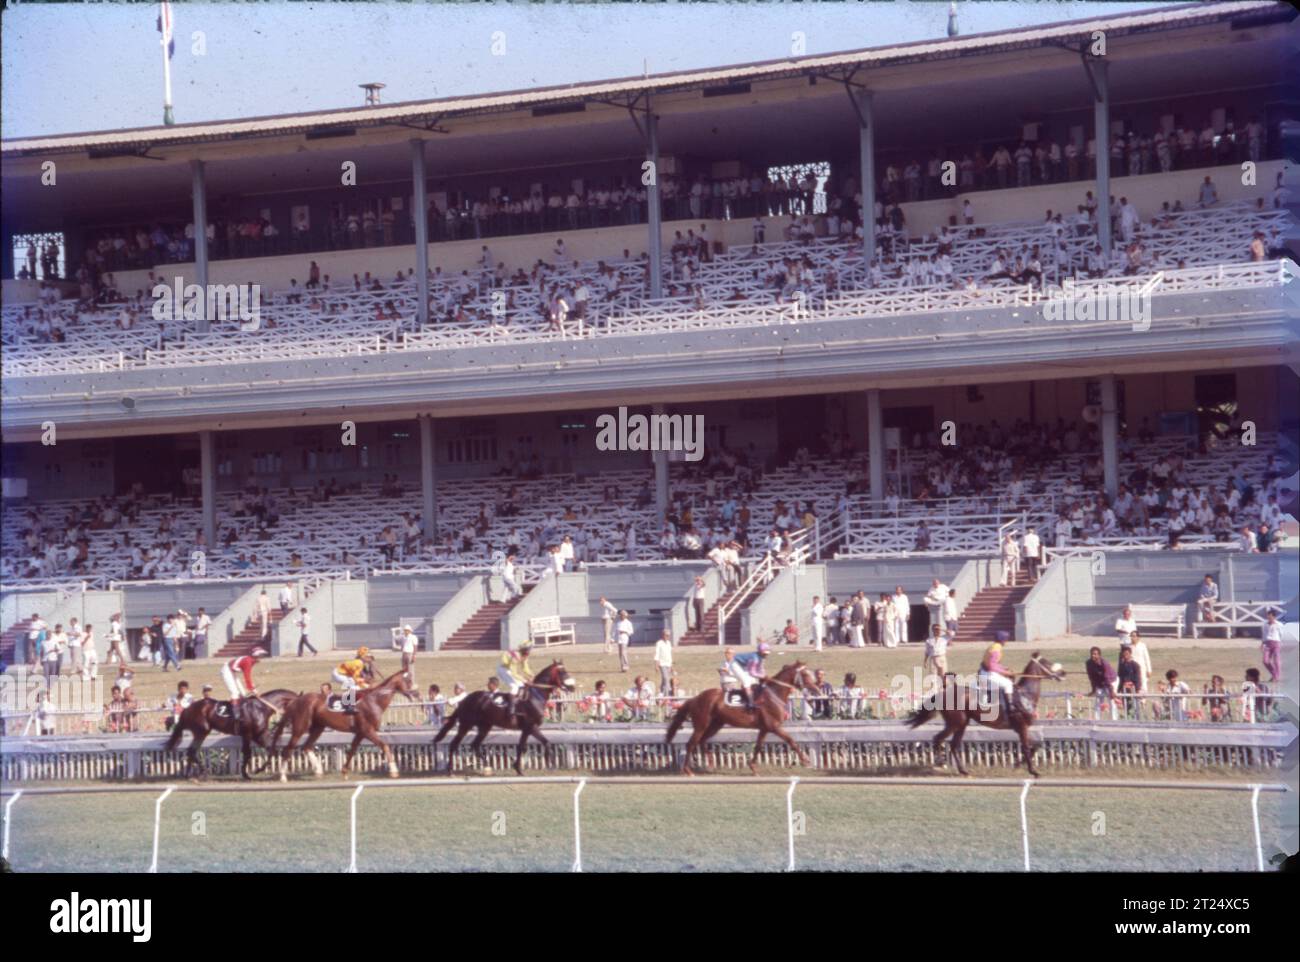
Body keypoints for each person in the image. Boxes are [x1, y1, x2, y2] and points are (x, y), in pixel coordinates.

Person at [220, 647, 267, 729]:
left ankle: (241, 711)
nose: (262, 657)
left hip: (232, 671)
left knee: (243, 694)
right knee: (235, 693)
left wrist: (252, 688)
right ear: (256, 655)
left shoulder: (251, 661)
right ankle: (235, 716)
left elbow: (248, 678)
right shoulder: (248, 661)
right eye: (261, 655)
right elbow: (247, 678)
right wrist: (254, 690)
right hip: (227, 670)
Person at [977, 641, 1018, 719]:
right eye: (1005, 640)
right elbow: (992, 667)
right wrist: (1006, 672)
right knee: (1008, 683)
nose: (1006, 642)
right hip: (988, 674)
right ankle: (1010, 706)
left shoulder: (993, 646)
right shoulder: (996, 650)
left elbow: (994, 664)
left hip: (984, 672)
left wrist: (1004, 668)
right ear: (1003, 640)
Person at [496, 641, 535, 721]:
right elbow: (514, 673)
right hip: (503, 670)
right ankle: (511, 709)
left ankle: (519, 705)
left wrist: (532, 675)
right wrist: (525, 680)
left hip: (509, 670)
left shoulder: (525, 656)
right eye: (529, 649)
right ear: (525, 650)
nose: (530, 651)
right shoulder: (516, 656)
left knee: (521, 685)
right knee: (515, 687)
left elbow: (525, 668)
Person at [728, 642, 771, 709]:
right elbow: (752, 672)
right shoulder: (754, 659)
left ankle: (746, 696)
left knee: (752, 681)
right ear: (760, 652)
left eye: (767, 653)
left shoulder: (761, 658)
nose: (766, 654)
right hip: (735, 664)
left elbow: (761, 668)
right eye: (765, 653)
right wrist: (762, 676)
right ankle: (750, 703)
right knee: (746, 681)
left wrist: (764, 675)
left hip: (743, 665)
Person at [1085, 646, 1118, 720]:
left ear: (1099, 655)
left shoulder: (1104, 663)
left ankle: (1114, 720)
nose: (1094, 655)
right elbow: (1091, 677)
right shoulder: (1088, 663)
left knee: (1111, 700)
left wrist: (1111, 691)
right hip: (1100, 682)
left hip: (1111, 680)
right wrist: (1094, 690)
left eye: (1096, 654)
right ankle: (1097, 720)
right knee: (1098, 700)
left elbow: (1107, 677)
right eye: (1092, 654)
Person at [1260, 609, 1282, 682]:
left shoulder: (1279, 624)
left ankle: (1277, 677)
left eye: (1270, 616)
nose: (1269, 617)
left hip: (1276, 643)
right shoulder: (1265, 625)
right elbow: (1264, 635)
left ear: (1274, 616)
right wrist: (1262, 643)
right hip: (1268, 643)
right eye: (1268, 616)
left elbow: (1282, 634)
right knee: (1265, 661)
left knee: (1276, 661)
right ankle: (1274, 674)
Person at [653, 629, 673, 696]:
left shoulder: (669, 643)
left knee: (664, 680)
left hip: (668, 663)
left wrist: (671, 665)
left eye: (668, 635)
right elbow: (657, 654)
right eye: (666, 635)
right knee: (666, 678)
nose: (667, 637)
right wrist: (656, 664)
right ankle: (668, 694)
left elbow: (669, 655)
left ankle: (661, 692)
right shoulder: (659, 643)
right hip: (662, 663)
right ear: (663, 635)